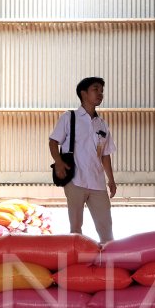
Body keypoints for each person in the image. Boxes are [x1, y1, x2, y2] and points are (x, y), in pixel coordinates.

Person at [49, 76, 117, 243]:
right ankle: (76, 257)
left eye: (102, 91)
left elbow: (105, 155)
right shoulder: (69, 117)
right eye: (96, 89)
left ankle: (108, 256)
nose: (100, 94)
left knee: (106, 229)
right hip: (75, 181)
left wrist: (111, 180)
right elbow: (53, 141)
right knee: (76, 228)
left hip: (97, 183)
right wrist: (58, 162)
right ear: (83, 93)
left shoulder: (102, 124)